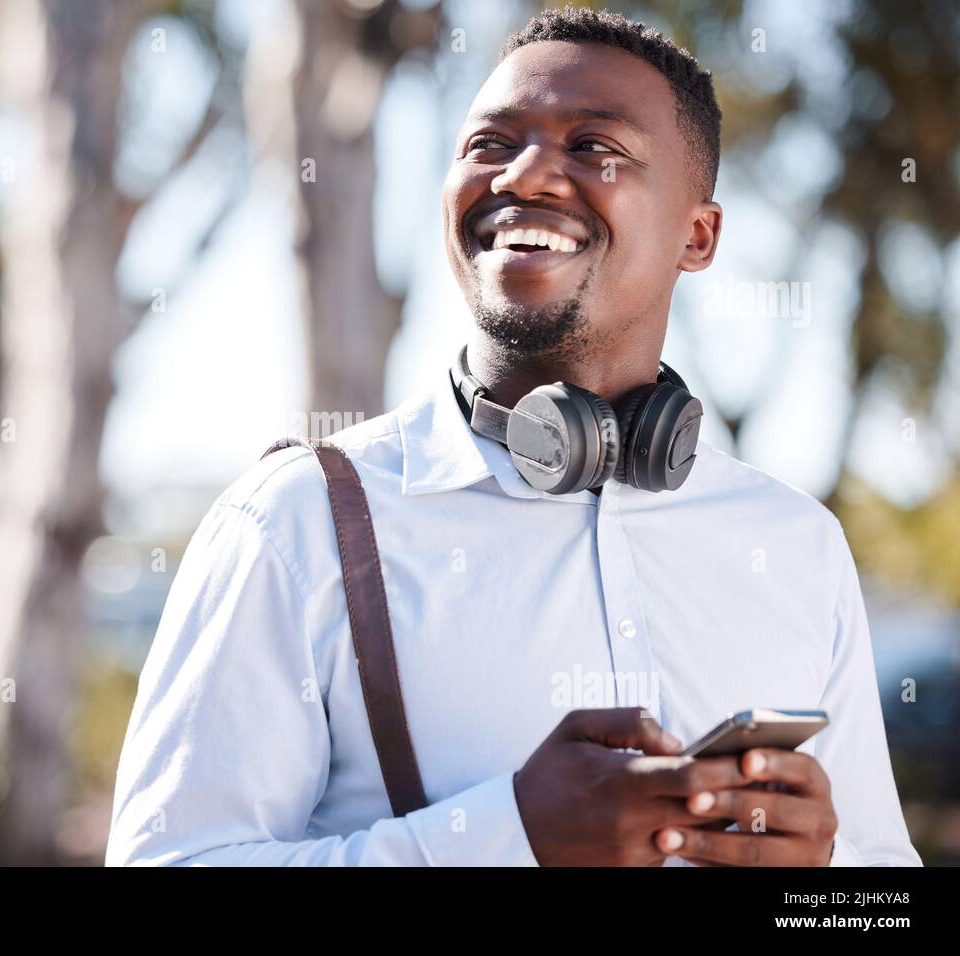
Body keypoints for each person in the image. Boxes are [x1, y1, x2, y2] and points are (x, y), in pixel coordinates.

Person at [105, 7, 920, 867]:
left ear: (698, 235)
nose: (525, 175)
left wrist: (825, 880)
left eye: (593, 146)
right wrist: (507, 840)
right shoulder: (296, 524)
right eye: (490, 144)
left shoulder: (795, 545)